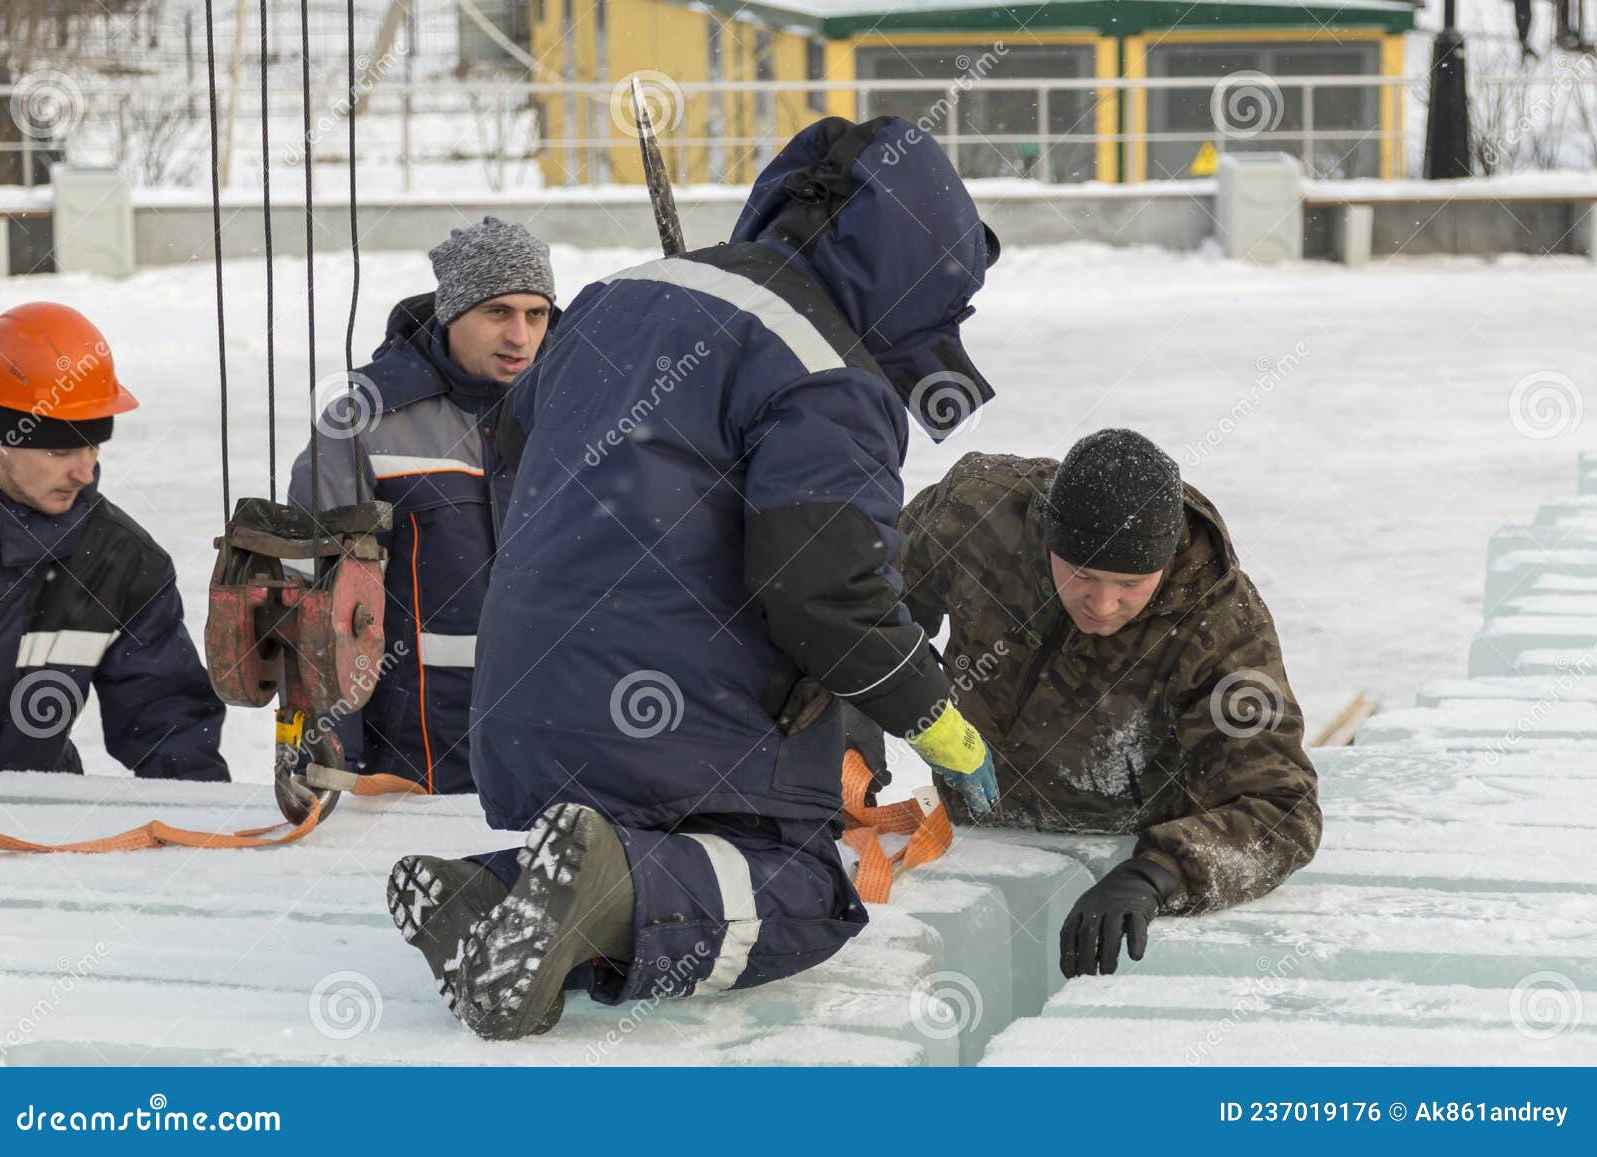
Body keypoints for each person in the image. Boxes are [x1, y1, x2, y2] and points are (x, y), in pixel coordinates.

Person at [386, 116, 1004, 1038]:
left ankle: (492, 888)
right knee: (803, 886)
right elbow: (825, 589)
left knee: (655, 844)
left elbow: (516, 457)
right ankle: (608, 886)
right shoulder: (827, 372)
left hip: (523, 696)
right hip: (671, 713)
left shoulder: (611, 297)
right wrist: (937, 718)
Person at [877, 430, 1321, 978]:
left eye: (1130, 584)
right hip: (968, 838)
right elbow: (858, 606)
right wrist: (851, 713)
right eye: (1081, 575)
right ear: (1048, 541)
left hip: (1119, 844)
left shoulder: (1222, 629)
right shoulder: (979, 512)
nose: (1104, 605)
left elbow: (1284, 811)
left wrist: (1158, 875)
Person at [288, 217, 556, 795]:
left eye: (536, 315)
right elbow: (317, 597)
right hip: (410, 759)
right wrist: (326, 755)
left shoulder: (578, 415)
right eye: (498, 313)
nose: (520, 336)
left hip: (554, 748)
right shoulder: (365, 423)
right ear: (452, 312)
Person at [0, 302, 227, 779]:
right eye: (59, 449)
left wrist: (207, 830)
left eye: (94, 445)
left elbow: (168, 721)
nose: (84, 471)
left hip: (34, 825)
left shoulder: (120, 561)